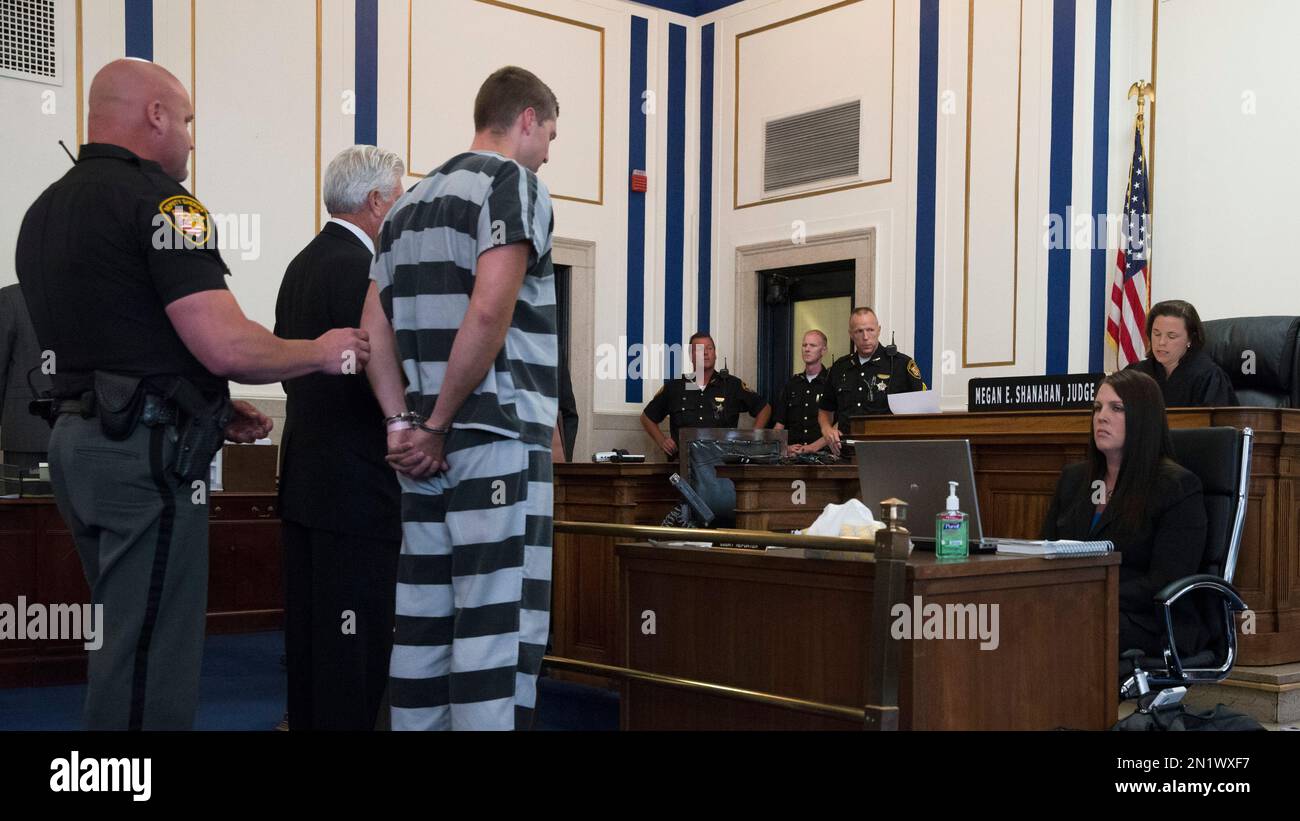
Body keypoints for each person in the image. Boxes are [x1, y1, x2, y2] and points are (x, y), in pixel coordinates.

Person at [14, 58, 368, 730]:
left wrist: (205, 400)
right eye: (186, 119)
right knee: (153, 653)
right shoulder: (163, 206)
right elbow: (227, 343)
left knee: (123, 636)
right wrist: (322, 350)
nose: (191, 137)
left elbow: (122, 334)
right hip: (144, 457)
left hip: (75, 444)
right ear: (153, 115)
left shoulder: (44, 211)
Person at [362, 66, 562, 731]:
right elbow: (488, 312)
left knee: (423, 625)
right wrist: (442, 422)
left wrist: (403, 425)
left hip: (423, 455)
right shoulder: (513, 184)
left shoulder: (406, 206)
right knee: (493, 632)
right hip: (496, 439)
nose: (548, 153)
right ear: (526, 118)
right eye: (550, 135)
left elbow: (374, 328)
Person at [274, 145, 406, 731]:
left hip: (305, 477)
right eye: (398, 198)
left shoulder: (300, 264)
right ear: (376, 202)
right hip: (357, 485)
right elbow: (377, 371)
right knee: (356, 638)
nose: (400, 211)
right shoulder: (366, 271)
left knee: (310, 630)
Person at [1041, 369, 1210, 659]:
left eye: (1116, 408)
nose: (1101, 417)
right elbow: (1044, 550)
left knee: (1064, 626)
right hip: (1076, 603)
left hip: (1149, 620)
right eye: (1097, 408)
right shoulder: (1074, 479)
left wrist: (1089, 591)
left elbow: (1164, 582)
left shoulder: (1177, 487)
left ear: (1143, 419)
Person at [640, 332, 771, 457]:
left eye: (710, 348)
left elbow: (764, 408)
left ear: (715, 354)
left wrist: (754, 437)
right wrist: (662, 441)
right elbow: (647, 417)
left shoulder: (732, 385)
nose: (706, 353)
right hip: (684, 464)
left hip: (722, 465)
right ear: (691, 356)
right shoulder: (676, 387)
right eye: (700, 350)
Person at [818, 307, 926, 455]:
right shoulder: (840, 367)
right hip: (846, 454)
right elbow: (825, 409)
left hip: (888, 453)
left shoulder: (901, 364)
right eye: (859, 331)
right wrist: (827, 429)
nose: (866, 337)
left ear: (879, 330)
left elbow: (922, 410)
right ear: (851, 334)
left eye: (870, 330)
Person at [1125, 299, 1237, 407]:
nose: (1161, 342)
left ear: (1190, 339)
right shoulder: (1136, 374)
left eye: (1171, 336)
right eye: (1157, 334)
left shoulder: (1209, 377)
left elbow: (1220, 423)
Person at [0, 283, 52, 472]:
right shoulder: (11, 298)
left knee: (26, 499)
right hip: (27, 432)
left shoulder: (11, 298)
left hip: (26, 429)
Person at [772, 329, 831, 453]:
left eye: (813, 345)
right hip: (793, 456)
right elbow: (779, 425)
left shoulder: (830, 383)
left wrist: (813, 447)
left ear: (823, 350)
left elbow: (839, 425)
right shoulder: (792, 384)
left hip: (822, 456)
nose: (807, 349)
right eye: (804, 345)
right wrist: (783, 448)